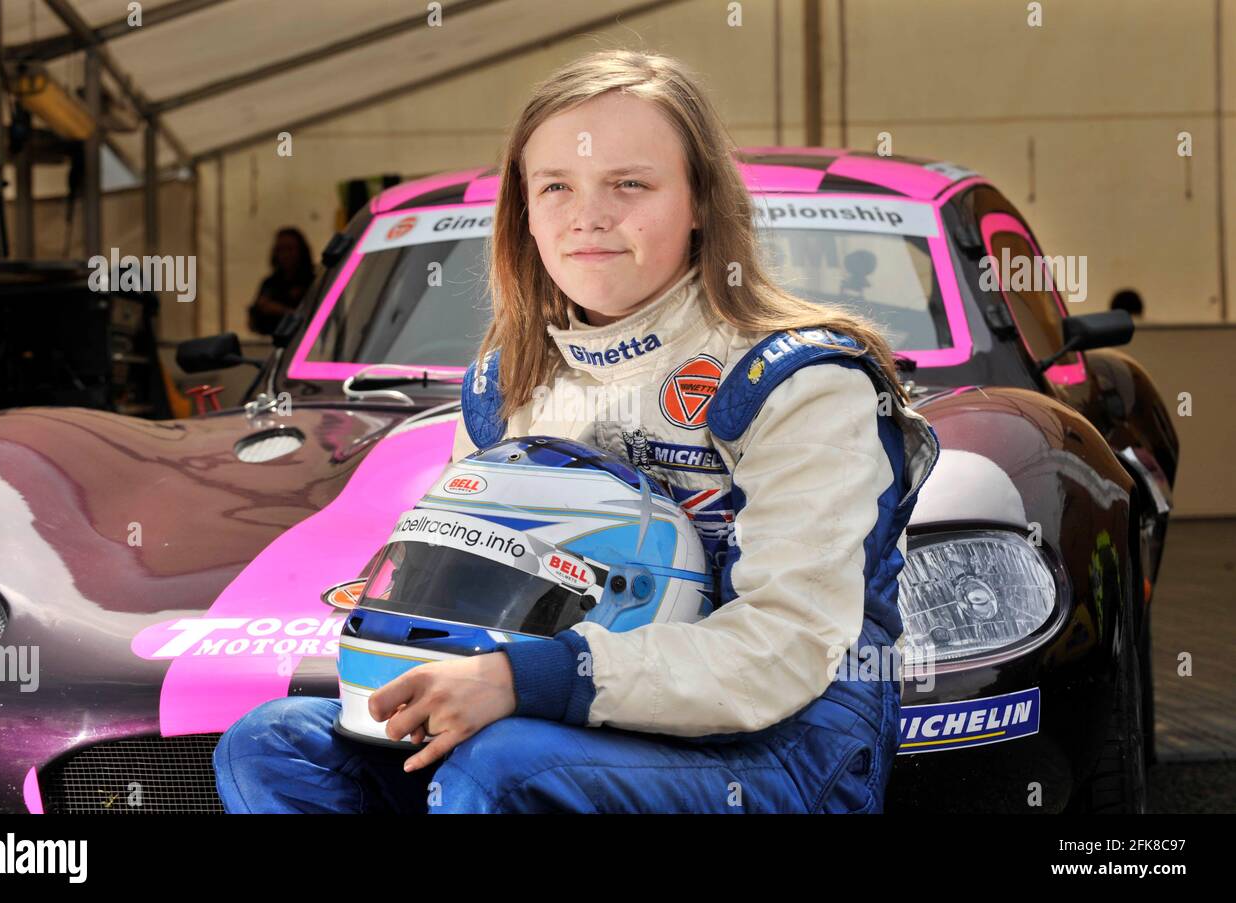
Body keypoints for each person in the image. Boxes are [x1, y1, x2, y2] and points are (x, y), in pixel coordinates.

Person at [213, 48, 940, 814]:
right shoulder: (507, 384)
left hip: (783, 743)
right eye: (556, 186)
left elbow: (786, 650)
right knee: (274, 744)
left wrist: (524, 681)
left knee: (502, 770)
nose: (588, 216)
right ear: (522, 212)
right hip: (550, 720)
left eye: (630, 183)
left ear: (701, 202)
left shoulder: (798, 378)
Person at [246, 227, 315, 336]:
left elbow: (314, 319)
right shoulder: (270, 283)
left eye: (289, 249)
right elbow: (253, 324)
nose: (284, 255)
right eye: (280, 249)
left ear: (301, 251)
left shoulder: (313, 282)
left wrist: (281, 310)